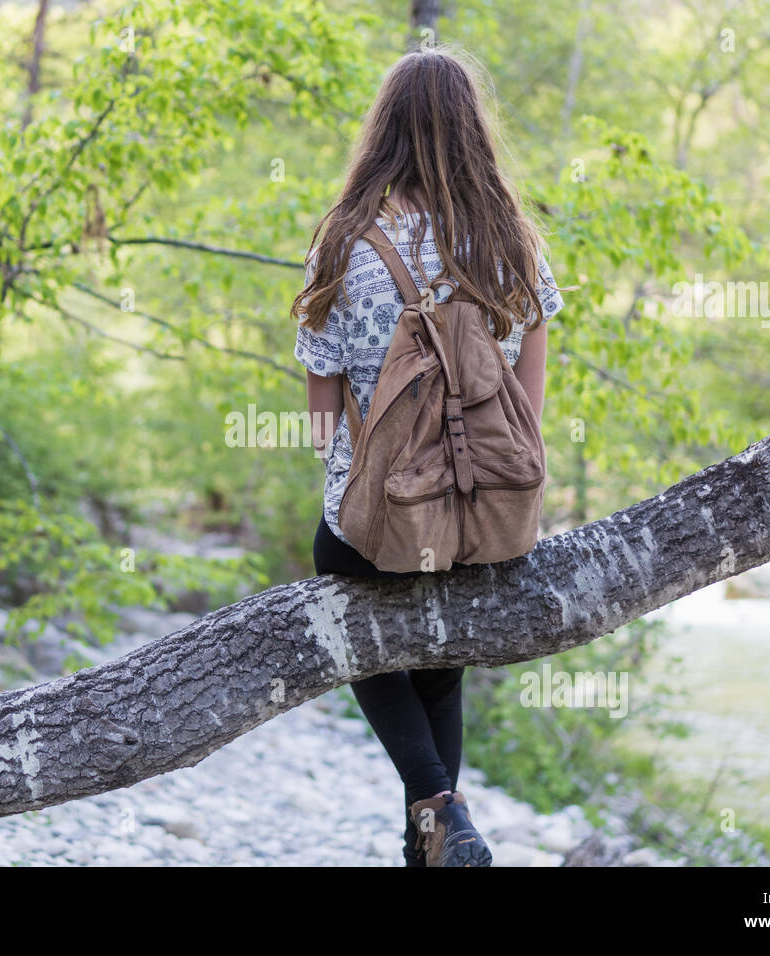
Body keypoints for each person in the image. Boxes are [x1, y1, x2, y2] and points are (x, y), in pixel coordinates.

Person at [290, 46, 565, 867]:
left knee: (347, 615)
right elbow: (529, 410)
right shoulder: (513, 241)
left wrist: (359, 481)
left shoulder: (343, 242)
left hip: (385, 518)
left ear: (385, 131)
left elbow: (323, 421)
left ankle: (437, 809)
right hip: (484, 513)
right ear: (472, 128)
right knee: (441, 664)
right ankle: (435, 837)